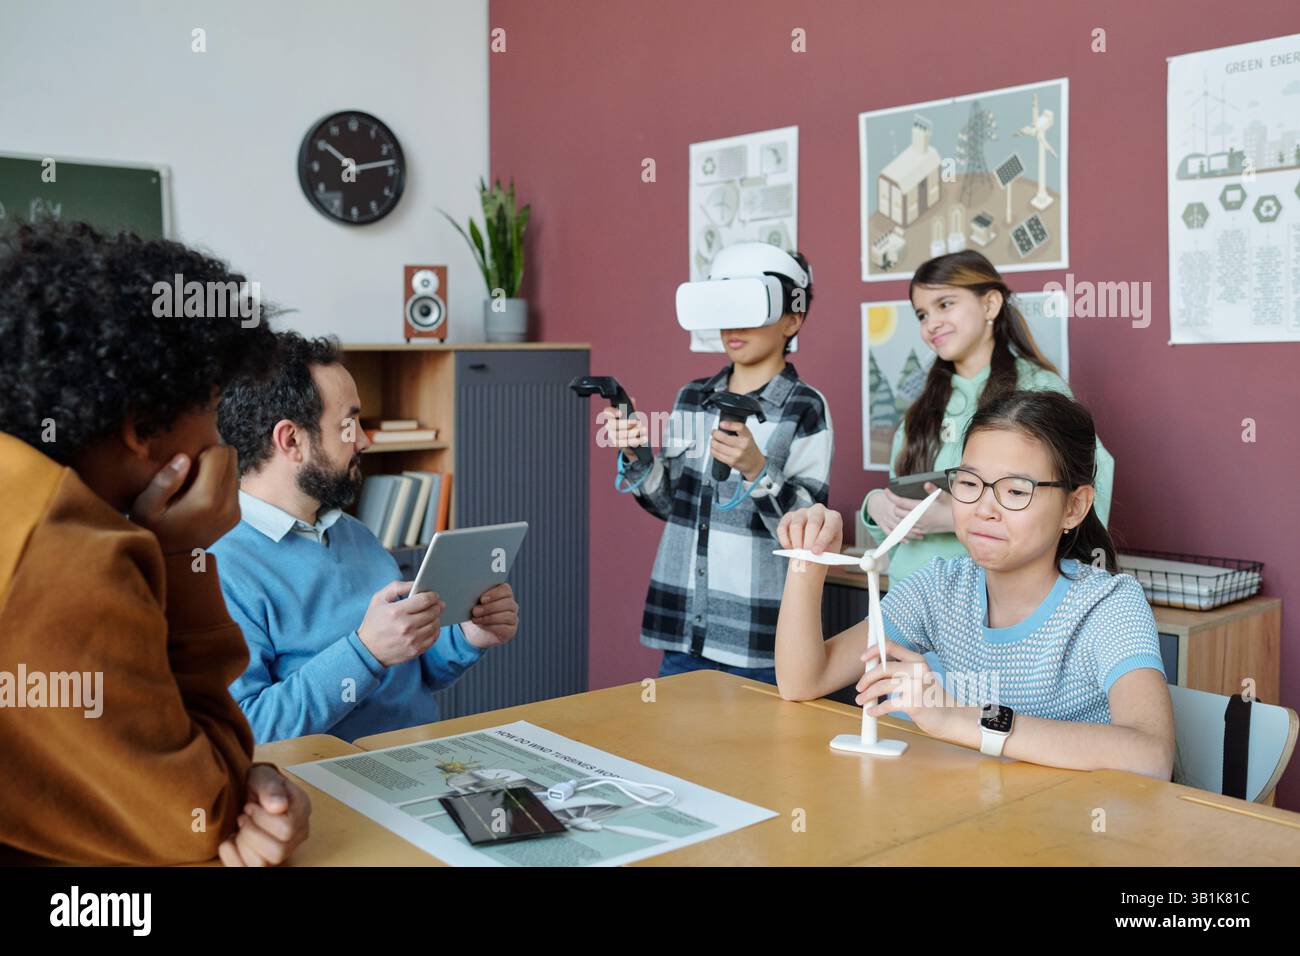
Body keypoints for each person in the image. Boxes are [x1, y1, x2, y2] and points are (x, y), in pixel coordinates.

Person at [0, 219, 311, 865]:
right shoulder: (67, 561)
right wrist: (186, 555)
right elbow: (200, 821)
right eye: (217, 406)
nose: (224, 441)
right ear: (144, 428)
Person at [776, 390, 1173, 778]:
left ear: (1074, 507)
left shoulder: (1108, 605)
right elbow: (803, 680)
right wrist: (807, 562)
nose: (984, 509)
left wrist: (958, 720)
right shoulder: (939, 588)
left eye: (1016, 491)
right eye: (968, 484)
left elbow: (1151, 755)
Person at [211, 331, 519, 743]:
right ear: (291, 440)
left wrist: (467, 637)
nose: (365, 439)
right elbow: (250, 730)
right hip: (325, 788)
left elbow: (413, 674)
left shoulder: (355, 535)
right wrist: (366, 651)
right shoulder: (219, 566)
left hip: (416, 762)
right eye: (348, 424)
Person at [605, 248, 832, 682]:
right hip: (683, 632)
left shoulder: (806, 408)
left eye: (752, 308)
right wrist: (636, 453)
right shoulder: (692, 397)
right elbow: (669, 504)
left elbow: (809, 533)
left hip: (758, 641)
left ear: (792, 319)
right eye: (727, 308)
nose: (735, 325)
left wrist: (756, 468)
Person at [861, 250, 1114, 586]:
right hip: (910, 591)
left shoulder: (1038, 388)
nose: (930, 324)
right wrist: (876, 507)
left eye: (945, 304)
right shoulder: (922, 406)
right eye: (922, 314)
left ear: (990, 305)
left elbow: (1093, 480)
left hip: (997, 597)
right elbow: (900, 502)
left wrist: (957, 517)